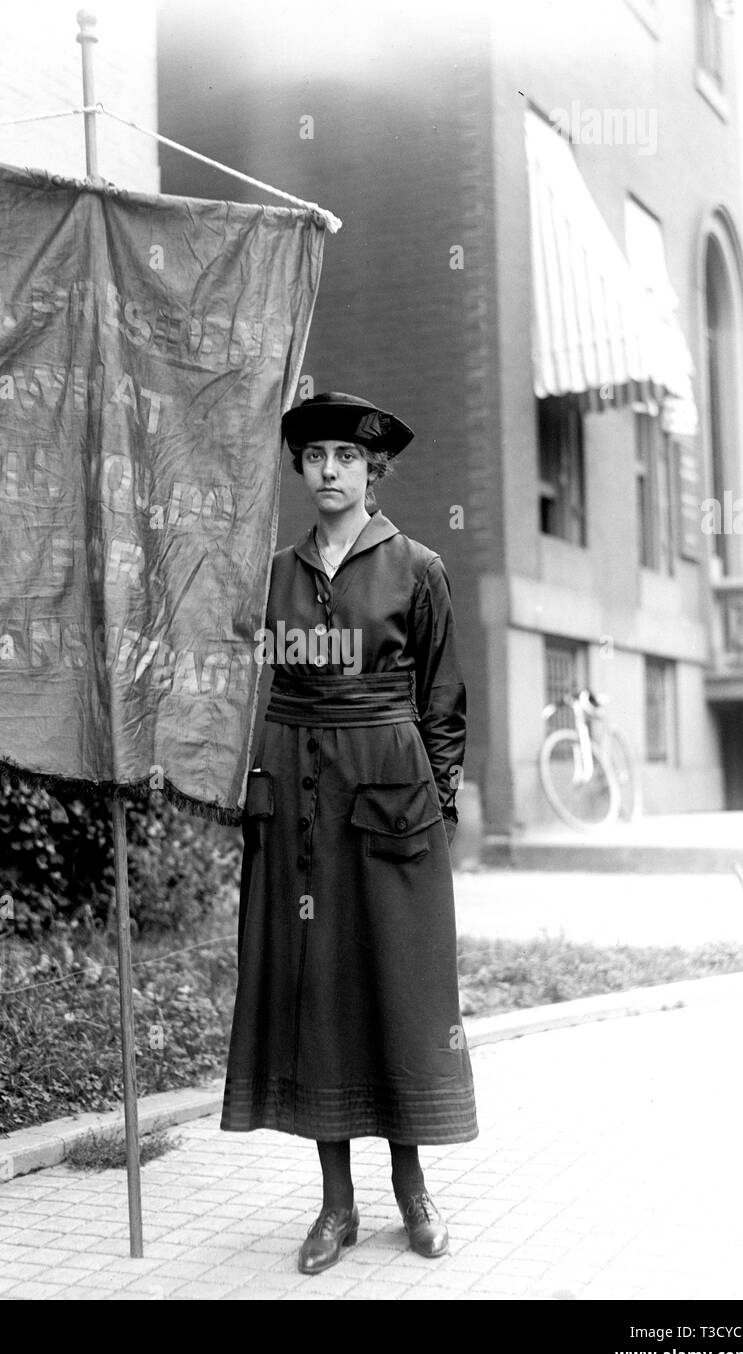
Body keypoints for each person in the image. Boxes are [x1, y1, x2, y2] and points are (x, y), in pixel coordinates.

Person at [220, 391, 478, 1275]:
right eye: (315, 457)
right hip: (296, 799)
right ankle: (337, 1204)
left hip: (392, 799)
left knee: (396, 988)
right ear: (299, 469)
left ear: (373, 471)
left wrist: (435, 800)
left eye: (346, 458)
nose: (329, 471)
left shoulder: (418, 568)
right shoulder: (275, 577)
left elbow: (443, 703)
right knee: (317, 989)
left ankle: (413, 1193)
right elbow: (242, 684)